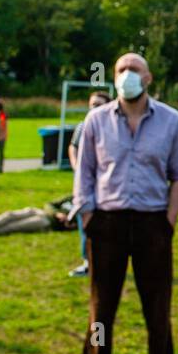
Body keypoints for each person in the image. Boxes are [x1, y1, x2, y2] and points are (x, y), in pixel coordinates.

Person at [58, 53, 178, 354]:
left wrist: (170, 220)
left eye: (133, 69)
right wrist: (87, 215)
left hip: (152, 224)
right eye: (120, 70)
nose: (126, 75)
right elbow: (83, 171)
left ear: (147, 77)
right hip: (107, 224)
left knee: (158, 310)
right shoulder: (96, 121)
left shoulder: (170, 120)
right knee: (101, 311)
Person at [67, 91, 111, 277]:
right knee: (85, 221)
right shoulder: (83, 125)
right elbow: (73, 147)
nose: (94, 108)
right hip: (86, 182)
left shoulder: (113, 127)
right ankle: (88, 261)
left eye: (99, 104)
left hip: (106, 183)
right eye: (92, 104)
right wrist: (79, 169)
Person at [0, 195, 78, 236]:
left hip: (49, 223)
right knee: (9, 215)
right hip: (41, 212)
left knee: (14, 226)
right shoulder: (71, 196)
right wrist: (56, 213)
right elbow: (49, 204)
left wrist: (70, 225)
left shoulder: (85, 209)